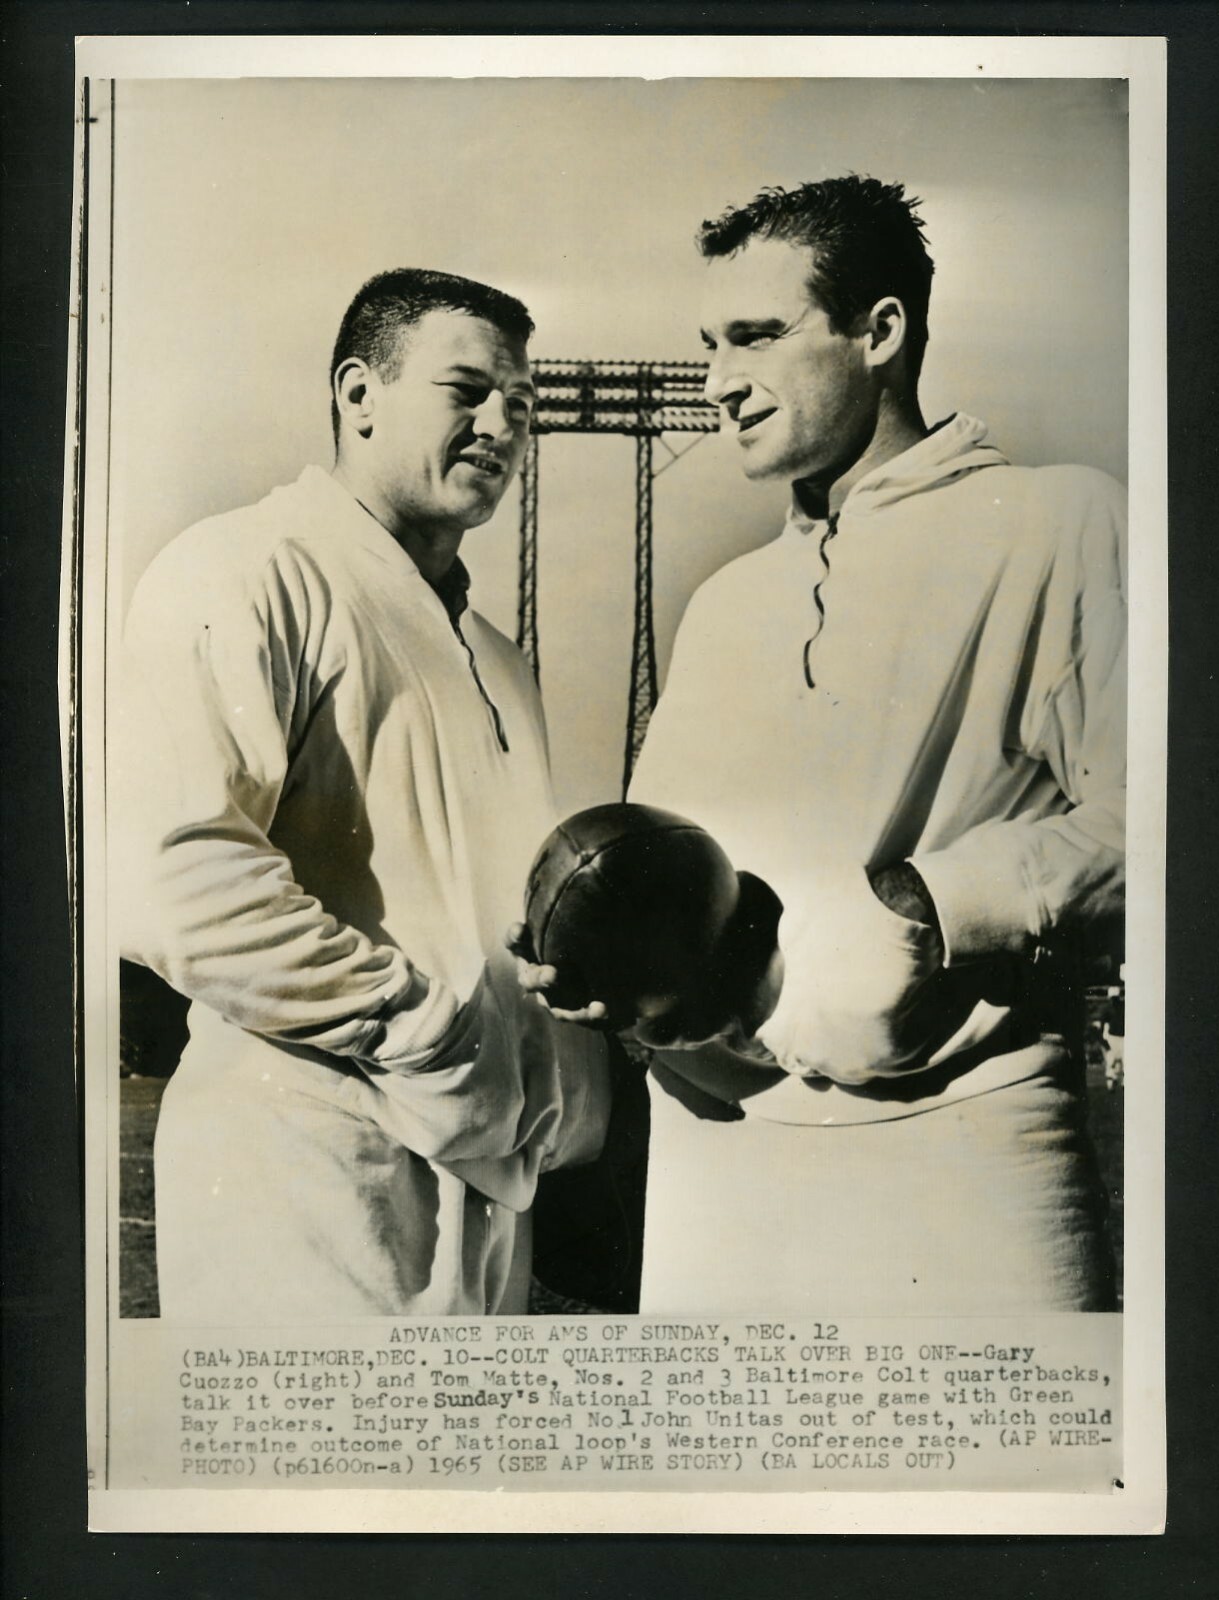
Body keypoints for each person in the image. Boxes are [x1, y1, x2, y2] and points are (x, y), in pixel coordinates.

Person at [529, 177, 1125, 1314]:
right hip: (716, 1148)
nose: (716, 383)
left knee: (1009, 1486)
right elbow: (667, 878)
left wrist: (940, 900)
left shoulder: (1057, 521)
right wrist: (609, 969)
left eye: (756, 336)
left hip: (963, 1142)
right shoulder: (724, 601)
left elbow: (1173, 822)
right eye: (706, 345)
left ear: (880, 332)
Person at [116, 269, 609, 1321]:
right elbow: (177, 883)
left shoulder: (499, 659)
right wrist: (428, 1031)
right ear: (358, 392)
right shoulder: (243, 567)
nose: (500, 426)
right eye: (466, 390)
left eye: (519, 407)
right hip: (301, 1166)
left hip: (483, 1201)